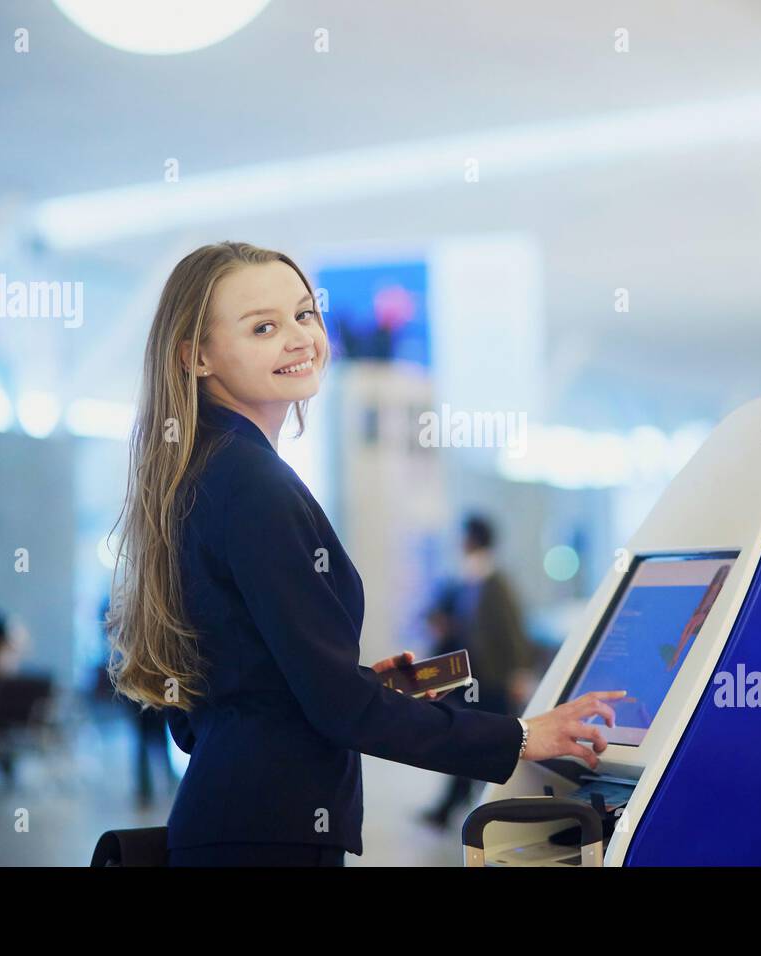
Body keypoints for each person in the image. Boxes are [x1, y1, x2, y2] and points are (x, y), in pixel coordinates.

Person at [105, 241, 624, 867]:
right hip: (272, 838)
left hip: (232, 822)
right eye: (263, 327)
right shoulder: (254, 486)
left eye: (304, 314)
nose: (299, 339)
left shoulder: (207, 473)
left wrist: (357, 683)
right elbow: (338, 712)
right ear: (197, 357)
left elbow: (204, 711)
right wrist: (519, 736)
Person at [421, 514, 536, 829]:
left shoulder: (494, 582)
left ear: (473, 538)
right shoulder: (464, 578)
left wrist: (519, 674)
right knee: (469, 741)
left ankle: (487, 811)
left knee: (487, 745)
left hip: (491, 681)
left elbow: (511, 632)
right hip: (470, 679)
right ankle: (461, 810)